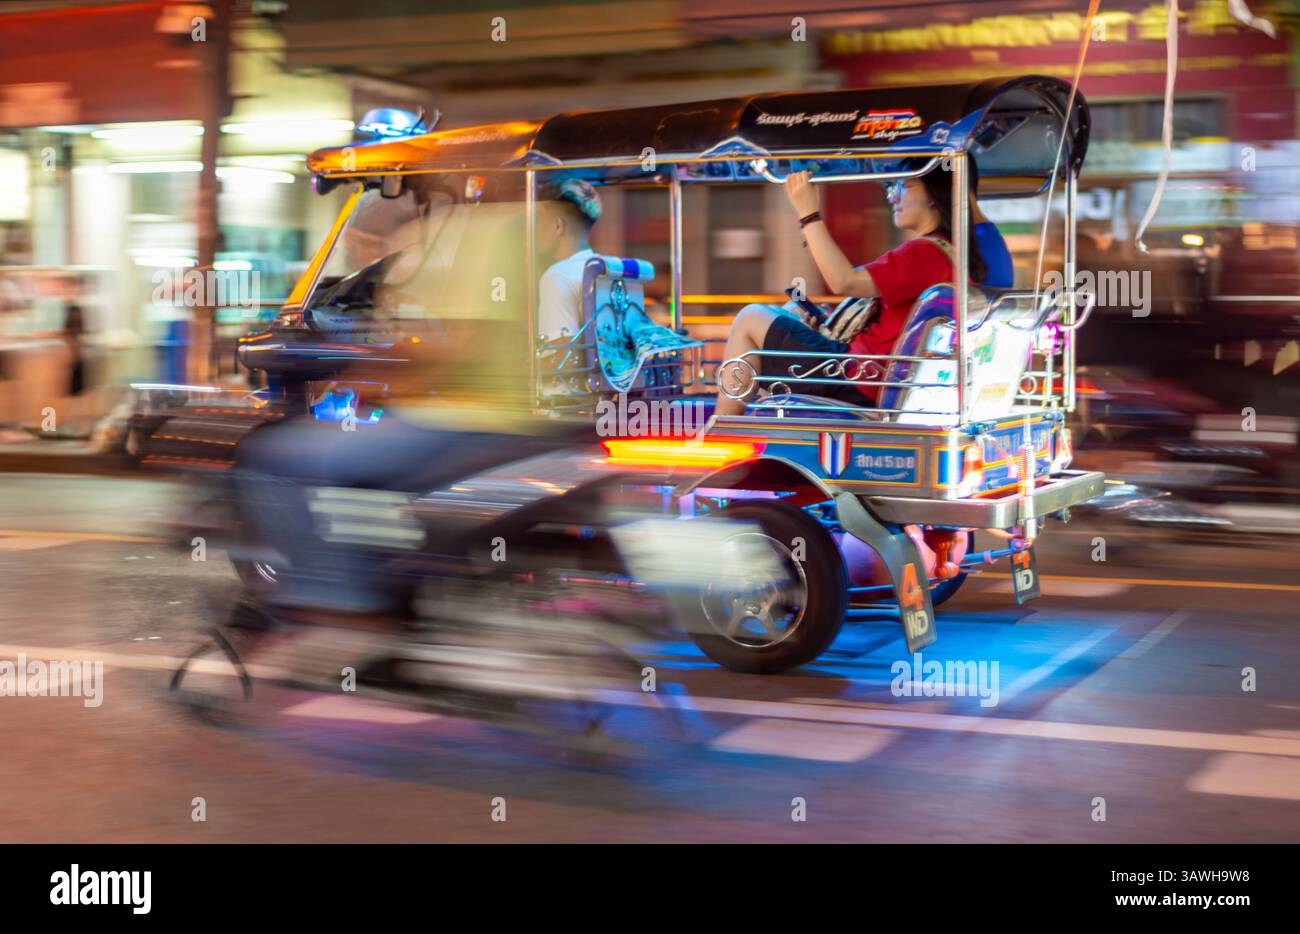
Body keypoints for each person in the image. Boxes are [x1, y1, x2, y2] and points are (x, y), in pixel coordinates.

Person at [715, 160, 988, 416]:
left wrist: (808, 214)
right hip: (871, 375)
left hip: (857, 377)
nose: (892, 197)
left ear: (933, 193)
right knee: (786, 314)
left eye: (903, 186)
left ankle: (722, 430)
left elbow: (843, 280)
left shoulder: (923, 254)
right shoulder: (949, 254)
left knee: (749, 318)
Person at [535, 178, 600, 345]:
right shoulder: (605, 267)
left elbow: (563, 360)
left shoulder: (558, 276)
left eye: (538, 221)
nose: (533, 230)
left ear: (558, 226)